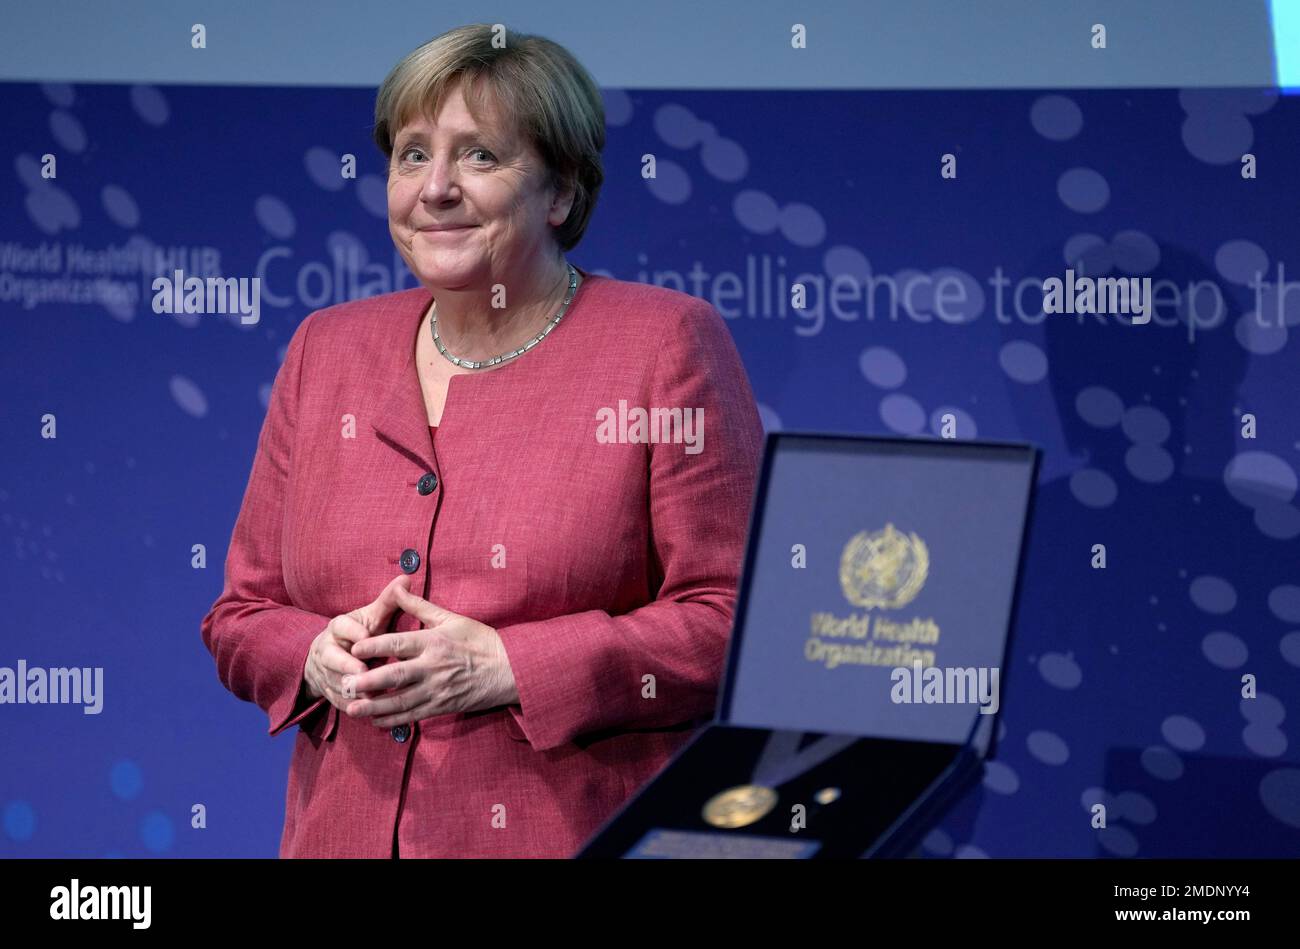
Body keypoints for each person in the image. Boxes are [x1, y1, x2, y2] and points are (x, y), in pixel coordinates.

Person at [200, 22, 764, 857]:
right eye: (412, 154)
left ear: (562, 192)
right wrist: (313, 653)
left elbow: (738, 624)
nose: (434, 189)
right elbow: (241, 614)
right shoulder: (327, 348)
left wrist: (512, 665)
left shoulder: (663, 344)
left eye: (480, 156)